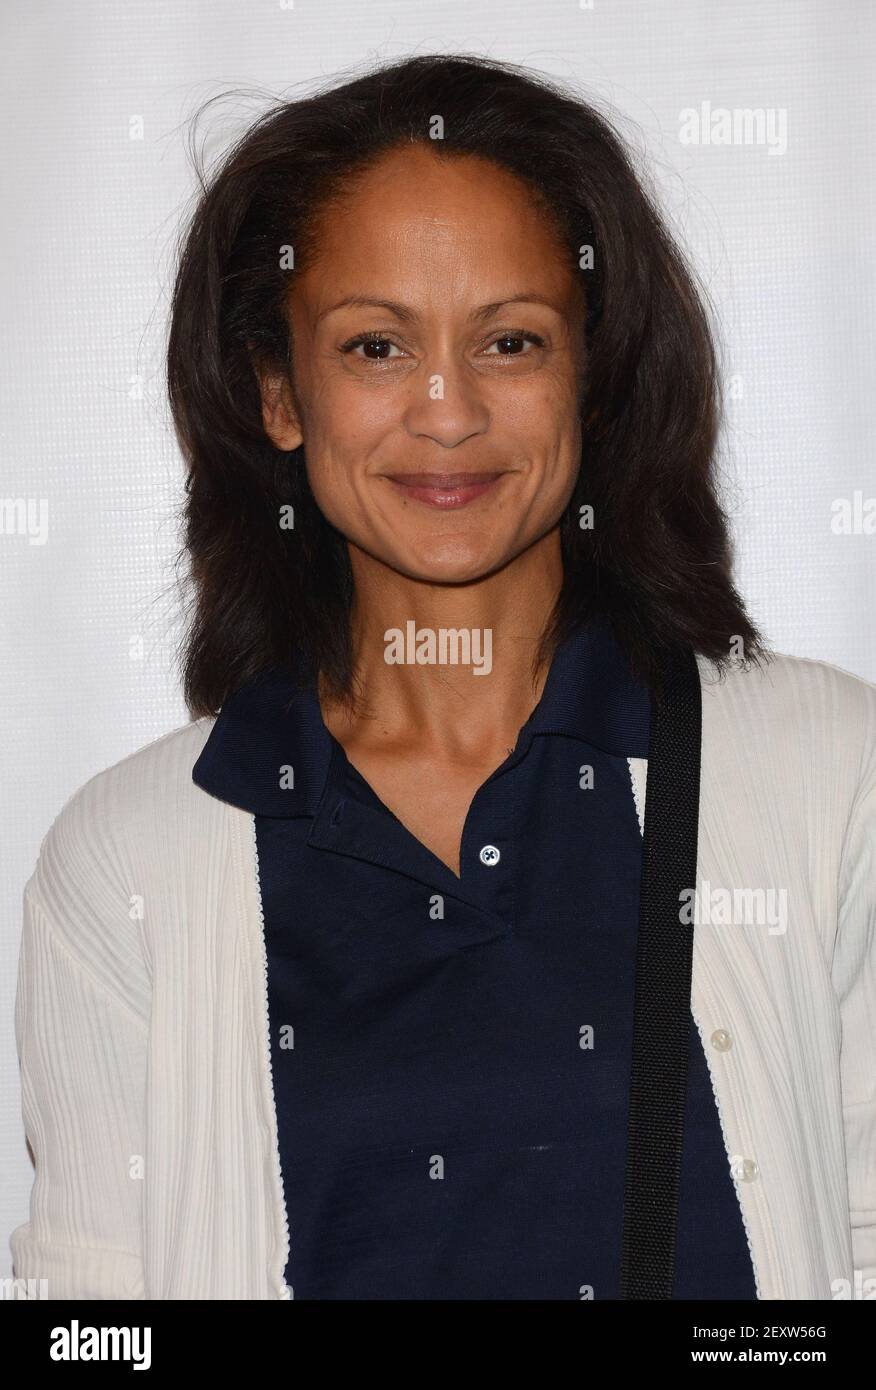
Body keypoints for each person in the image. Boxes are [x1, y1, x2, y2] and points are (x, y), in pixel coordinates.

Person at [10, 53, 875, 1301]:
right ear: (277, 393)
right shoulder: (129, 859)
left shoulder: (829, 774)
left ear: (595, 371)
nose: (448, 410)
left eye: (511, 340)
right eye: (374, 345)